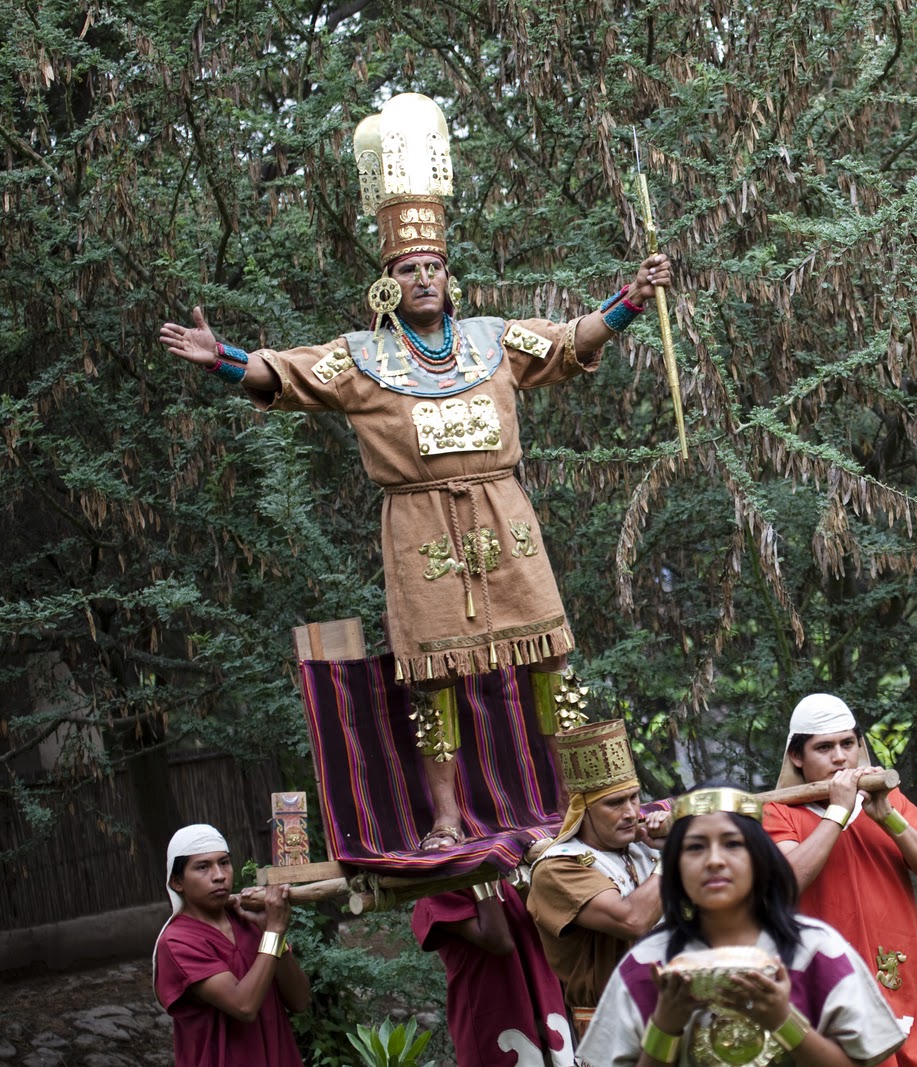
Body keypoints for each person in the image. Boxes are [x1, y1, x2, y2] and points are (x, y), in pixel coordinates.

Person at [157, 93, 672, 852]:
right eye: (409, 268)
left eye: (434, 266)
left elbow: (569, 340)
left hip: (504, 512)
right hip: (419, 524)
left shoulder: (496, 340)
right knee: (432, 675)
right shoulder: (362, 359)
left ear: (449, 275)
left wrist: (628, 300)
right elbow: (289, 373)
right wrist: (227, 358)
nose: (425, 277)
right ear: (387, 284)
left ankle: (595, 794)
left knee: (552, 656)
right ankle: (444, 814)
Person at [578, 782, 907, 1067]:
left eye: (733, 844)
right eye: (695, 847)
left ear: (760, 859)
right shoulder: (647, 965)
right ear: (674, 865)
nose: (715, 860)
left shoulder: (818, 952)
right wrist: (665, 1026)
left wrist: (783, 1020)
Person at [760, 693, 917, 1067]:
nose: (840, 757)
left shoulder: (888, 801)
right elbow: (787, 882)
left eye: (848, 743)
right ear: (797, 757)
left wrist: (887, 818)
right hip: (829, 999)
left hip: (899, 985)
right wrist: (837, 811)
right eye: (825, 747)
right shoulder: (777, 812)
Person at [529, 719, 669, 1036]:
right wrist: (674, 856)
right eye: (615, 803)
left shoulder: (644, 849)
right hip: (615, 1026)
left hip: (681, 1014)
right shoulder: (557, 867)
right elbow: (632, 919)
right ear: (582, 809)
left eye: (634, 798)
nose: (632, 812)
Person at [153, 823, 311, 1067]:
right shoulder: (177, 942)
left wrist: (270, 933)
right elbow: (244, 1005)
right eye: (203, 867)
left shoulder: (250, 921)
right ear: (177, 882)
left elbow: (300, 1000)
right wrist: (274, 929)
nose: (219, 875)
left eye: (224, 862)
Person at [414, 875, 578, 1067]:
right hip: (494, 1015)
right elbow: (499, 941)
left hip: (548, 1004)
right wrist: (483, 875)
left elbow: (556, 926)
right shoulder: (441, 885)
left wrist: (515, 871)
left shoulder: (518, 870)